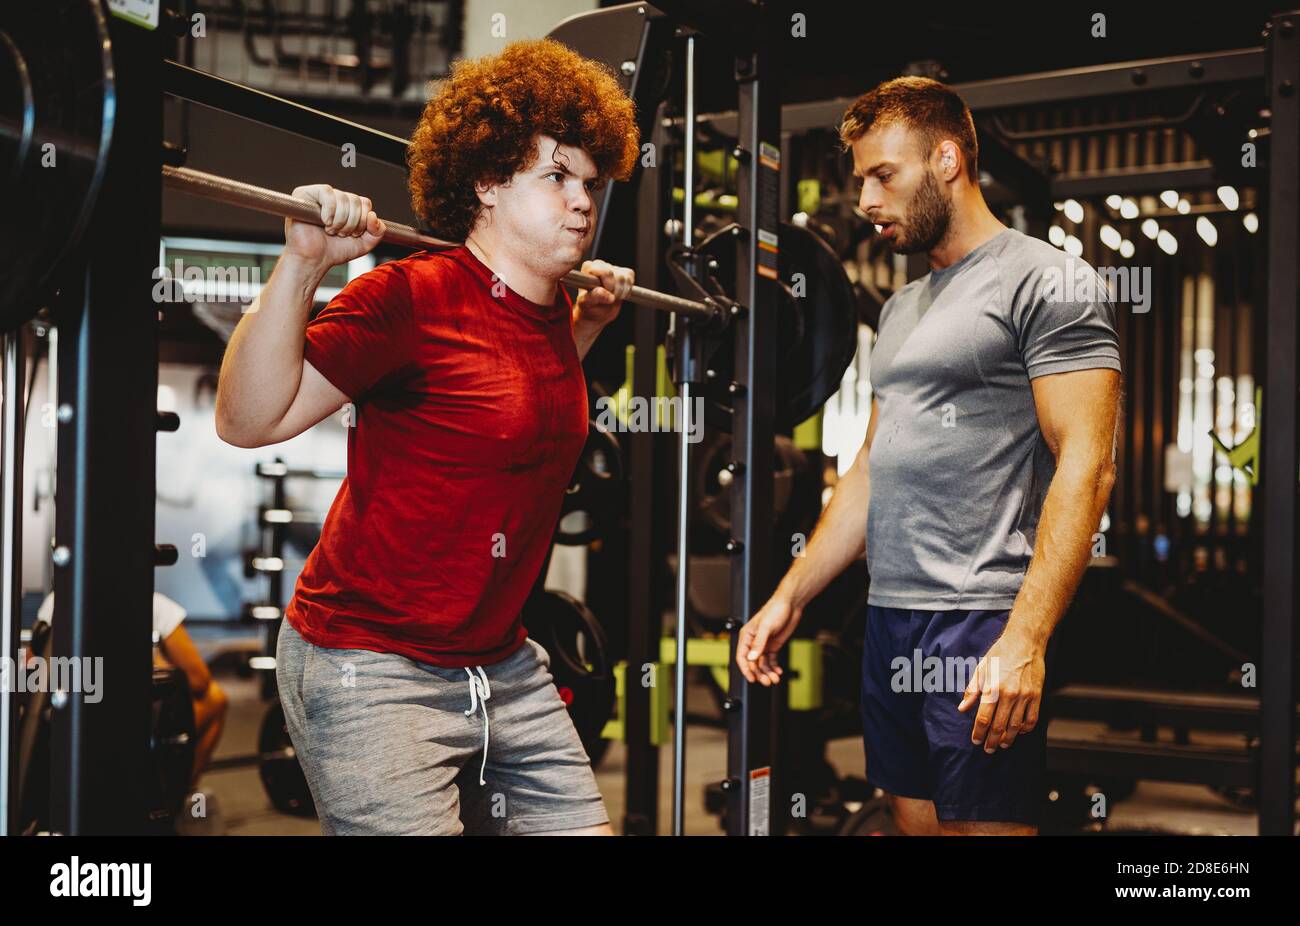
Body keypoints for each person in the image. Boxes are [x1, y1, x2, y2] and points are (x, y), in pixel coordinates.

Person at [215, 39, 639, 835]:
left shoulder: (550, 309)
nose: (582, 200)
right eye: (556, 176)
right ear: (487, 182)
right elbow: (245, 419)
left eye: (589, 180)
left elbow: (507, 410)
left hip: (503, 662)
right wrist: (303, 266)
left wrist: (591, 325)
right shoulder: (409, 298)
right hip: (369, 661)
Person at [737, 76, 1122, 835]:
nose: (867, 201)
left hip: (980, 617)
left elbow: (1088, 461)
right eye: (860, 181)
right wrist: (791, 594)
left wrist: (1026, 638)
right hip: (892, 619)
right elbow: (872, 469)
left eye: (885, 175)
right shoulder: (906, 306)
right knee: (914, 823)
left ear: (946, 159)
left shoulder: (1049, 281)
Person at [37, 591, 227, 790]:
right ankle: (176, 795)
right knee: (215, 698)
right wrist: (161, 664)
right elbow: (200, 680)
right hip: (132, 731)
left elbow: (34, 672)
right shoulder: (154, 604)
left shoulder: (58, 599)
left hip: (68, 727)